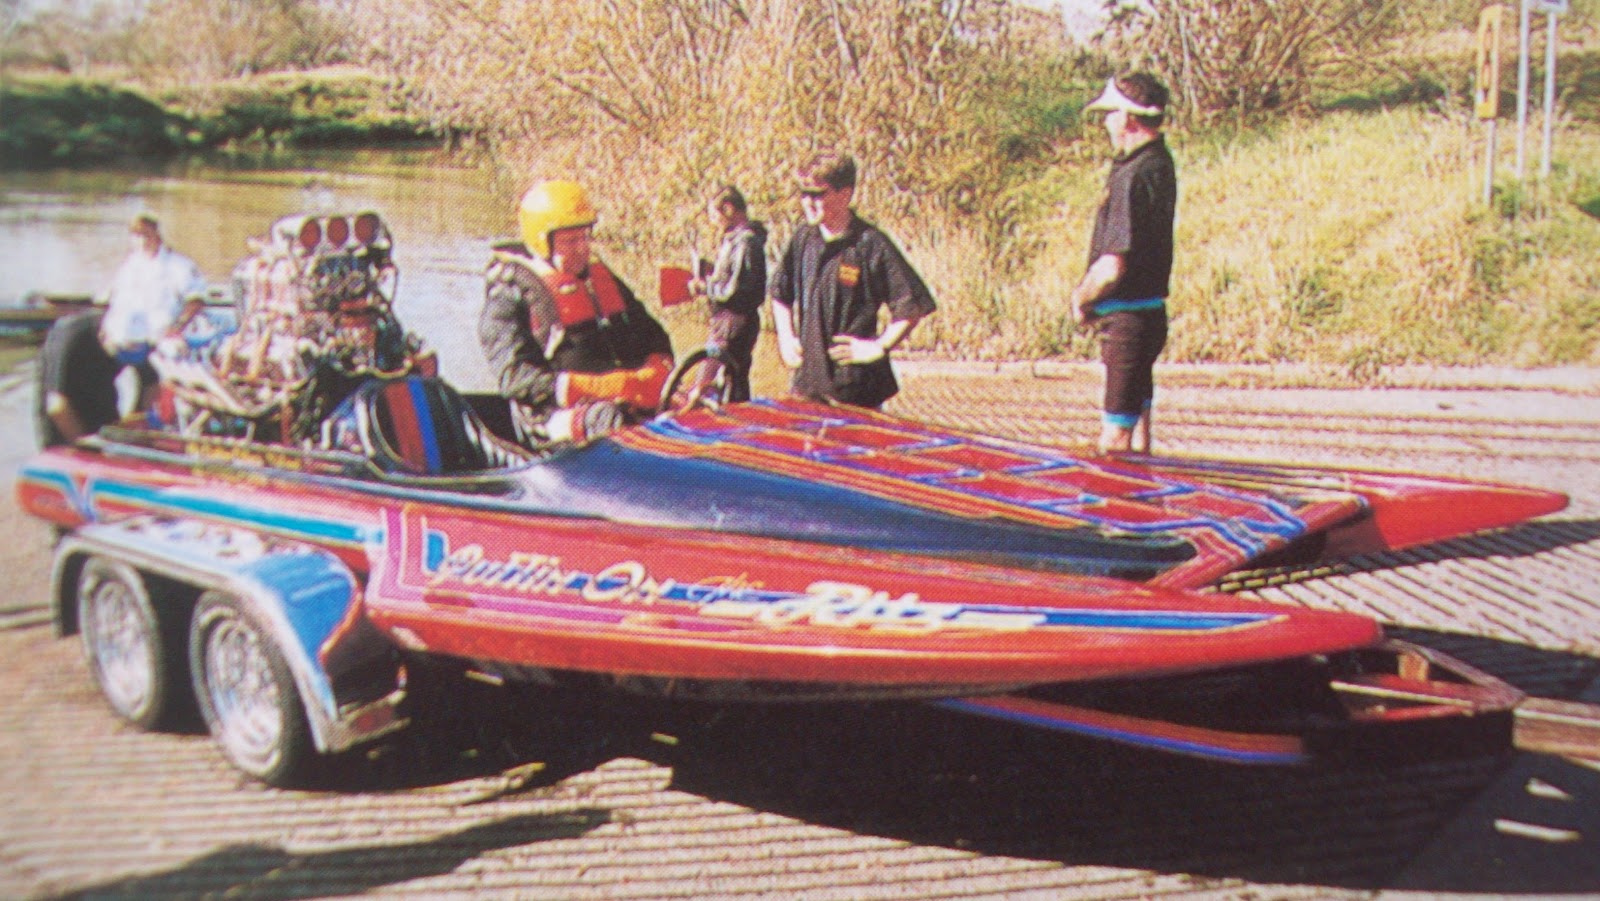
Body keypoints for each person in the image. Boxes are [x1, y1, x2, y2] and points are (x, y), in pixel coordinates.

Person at [480, 179, 674, 445]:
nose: (583, 249)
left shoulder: (599, 276)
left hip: (623, 400)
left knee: (699, 400)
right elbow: (515, 378)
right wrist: (599, 388)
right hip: (550, 416)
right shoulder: (508, 294)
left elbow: (653, 334)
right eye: (570, 241)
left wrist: (656, 368)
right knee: (609, 419)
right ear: (543, 243)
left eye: (585, 237)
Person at [769, 151, 935, 410]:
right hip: (807, 385)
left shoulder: (870, 244)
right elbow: (780, 291)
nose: (808, 202)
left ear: (845, 194)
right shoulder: (803, 238)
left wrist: (879, 346)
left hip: (855, 390)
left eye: (817, 194)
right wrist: (786, 336)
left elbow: (912, 304)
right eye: (803, 193)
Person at [1068, 72, 1178, 455]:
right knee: (1140, 429)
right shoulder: (1159, 162)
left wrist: (1081, 299)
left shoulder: (1133, 176)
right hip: (1149, 314)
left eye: (1110, 113)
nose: (1105, 122)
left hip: (1127, 321)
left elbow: (1113, 265)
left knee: (1114, 442)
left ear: (1128, 118)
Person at [99, 213, 208, 411]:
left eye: (146, 235)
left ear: (157, 235)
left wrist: (177, 327)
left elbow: (196, 300)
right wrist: (106, 328)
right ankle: (117, 416)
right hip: (127, 340)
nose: (142, 241)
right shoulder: (130, 265)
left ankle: (157, 414)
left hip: (160, 339)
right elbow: (117, 302)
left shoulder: (178, 266)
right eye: (137, 236)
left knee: (165, 364)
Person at [688, 185, 767, 402]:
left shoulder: (745, 242)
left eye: (715, 215)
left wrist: (705, 288)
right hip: (731, 321)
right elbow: (736, 277)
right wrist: (711, 271)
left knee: (706, 381)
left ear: (729, 209)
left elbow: (734, 290)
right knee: (734, 379)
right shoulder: (738, 241)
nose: (714, 221)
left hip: (732, 321)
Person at [36, 310, 122, 447]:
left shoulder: (138, 338)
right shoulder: (70, 336)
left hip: (102, 398)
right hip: (63, 413)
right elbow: (57, 406)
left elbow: (150, 383)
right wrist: (87, 447)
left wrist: (133, 425)